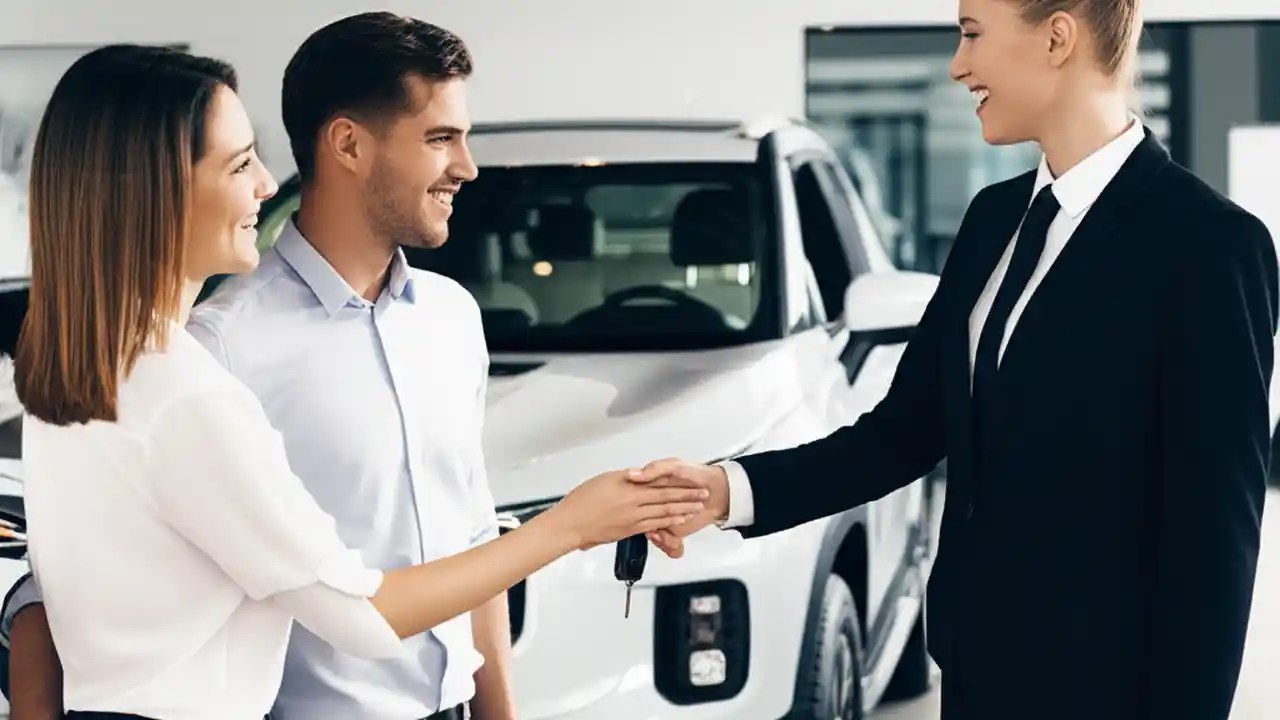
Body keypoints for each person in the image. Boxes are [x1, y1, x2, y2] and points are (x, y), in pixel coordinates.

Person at [1, 37, 706, 720]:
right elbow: (359, 614)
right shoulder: (198, 376)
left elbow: (466, 534)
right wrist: (572, 524)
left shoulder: (88, 372)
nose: (267, 184)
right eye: (241, 163)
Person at [632, 1, 1279, 719]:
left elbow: (1214, 545)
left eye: (972, 34)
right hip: (975, 675)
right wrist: (727, 490)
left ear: (1057, 37)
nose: (957, 65)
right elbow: (902, 434)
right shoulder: (993, 220)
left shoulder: (1209, 246)